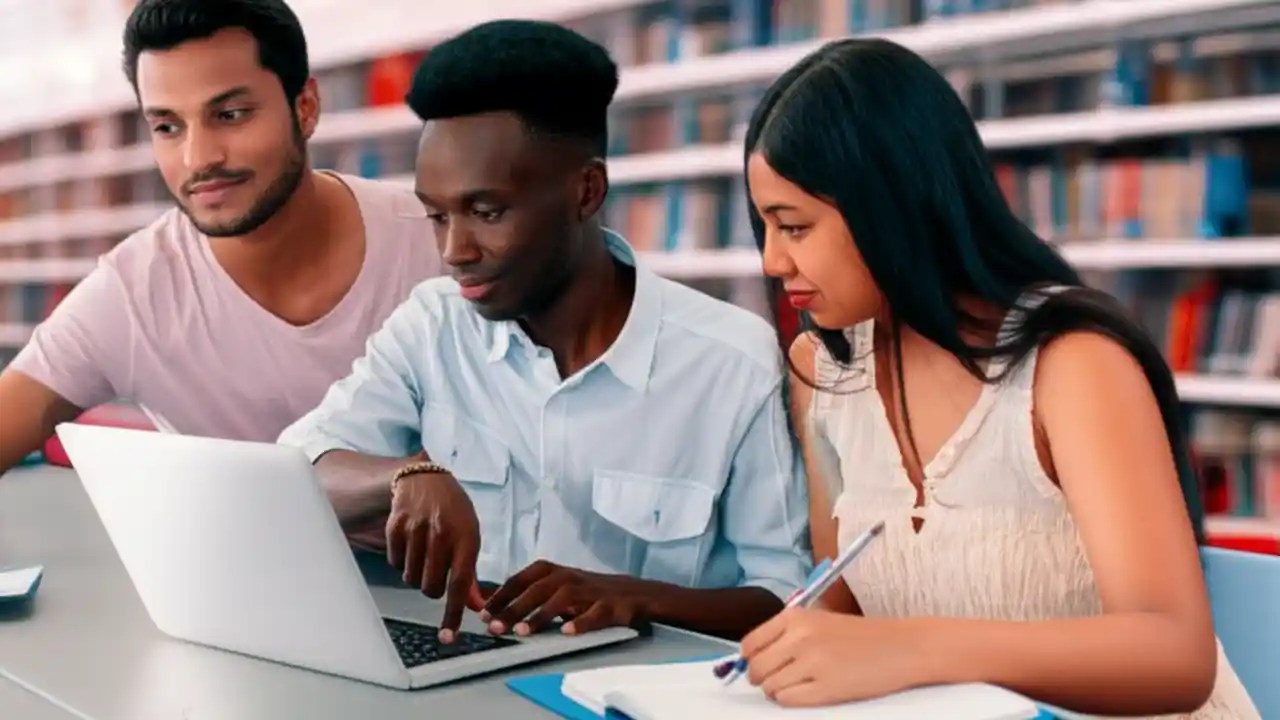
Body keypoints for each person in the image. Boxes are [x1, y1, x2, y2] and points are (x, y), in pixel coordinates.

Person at [732, 38, 1260, 718]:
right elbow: (845, 597)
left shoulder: (1072, 366)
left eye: (795, 227)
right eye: (764, 227)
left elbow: (1175, 657)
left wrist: (913, 649)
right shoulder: (823, 369)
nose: (773, 260)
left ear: (893, 206)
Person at [277, 20, 810, 644]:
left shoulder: (732, 363)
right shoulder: (432, 325)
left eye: (487, 212)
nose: (455, 250)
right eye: (436, 215)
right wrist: (405, 475)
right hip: (467, 682)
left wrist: (632, 599)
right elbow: (292, 475)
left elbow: (788, 596)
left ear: (586, 192)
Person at [0, 0, 442, 474]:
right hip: (239, 549)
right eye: (168, 126)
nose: (198, 157)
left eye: (230, 114)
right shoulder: (134, 292)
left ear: (306, 108)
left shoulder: (438, 243)